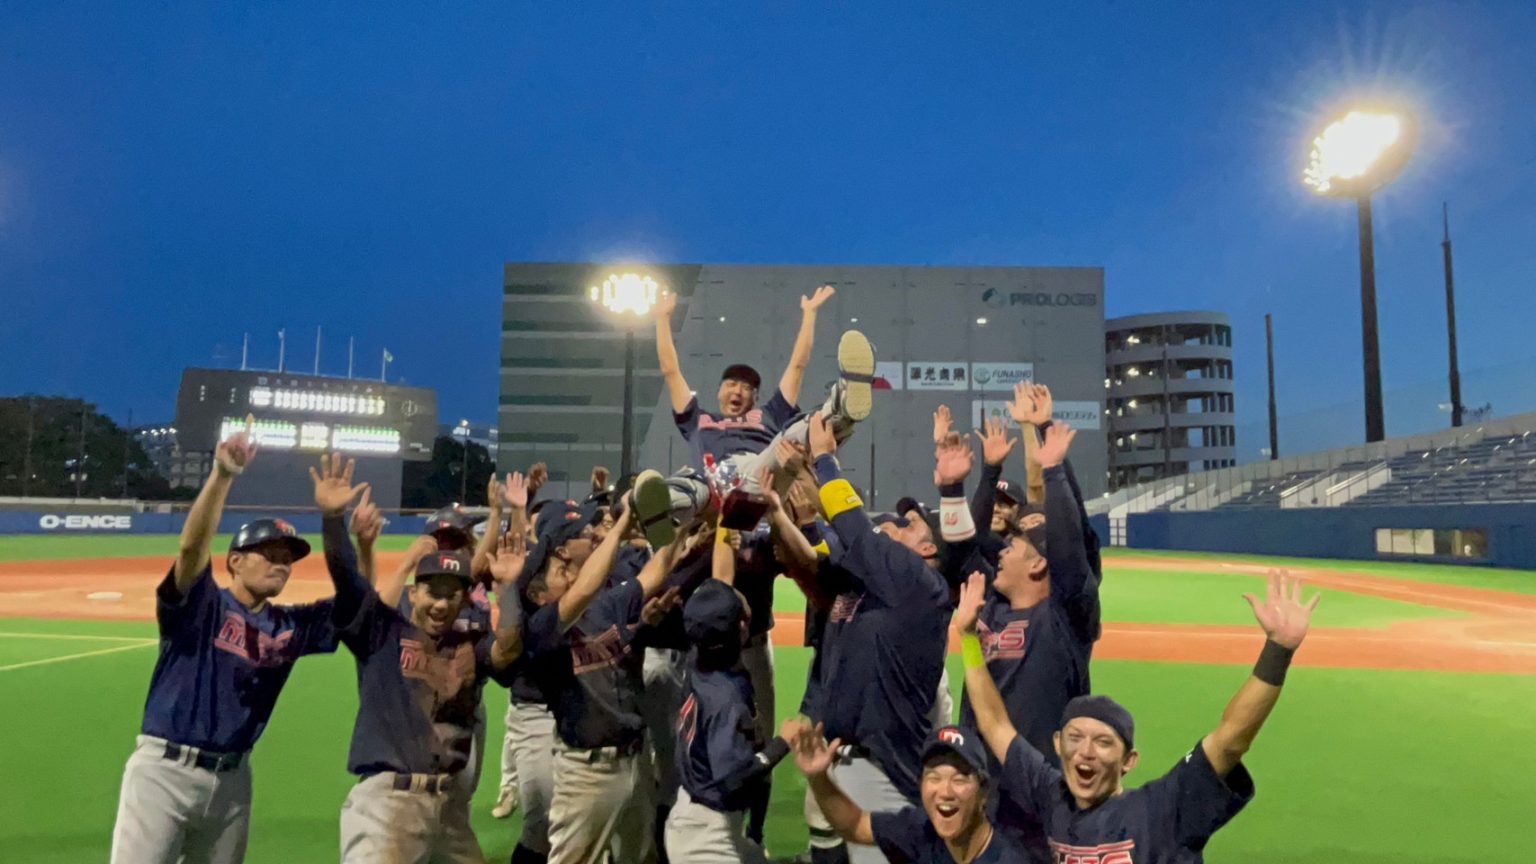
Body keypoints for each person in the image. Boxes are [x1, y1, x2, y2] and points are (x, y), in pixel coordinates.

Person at [955, 567, 1321, 863]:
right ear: (1057, 744)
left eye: (1103, 743)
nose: (1085, 751)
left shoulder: (1162, 810)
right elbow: (994, 724)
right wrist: (969, 638)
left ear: (1129, 761)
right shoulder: (1051, 796)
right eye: (1075, 738)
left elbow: (1230, 741)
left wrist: (1279, 650)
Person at [109, 418, 339, 864]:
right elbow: (191, 550)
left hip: (233, 781)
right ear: (234, 561)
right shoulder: (202, 605)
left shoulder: (292, 625)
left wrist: (348, 531)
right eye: (268, 554)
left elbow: (359, 606)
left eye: (287, 559)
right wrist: (223, 475)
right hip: (164, 774)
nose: (281, 564)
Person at [313, 454, 524, 864]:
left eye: (451, 594)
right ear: (414, 593)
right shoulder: (385, 634)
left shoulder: (469, 644)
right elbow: (349, 582)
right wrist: (333, 519)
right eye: (432, 591)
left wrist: (509, 588)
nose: (441, 603)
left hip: (446, 807)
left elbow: (509, 648)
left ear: (465, 598)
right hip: (387, 803)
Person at [519, 474, 695, 864]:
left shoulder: (607, 605)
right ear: (535, 594)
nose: (566, 575)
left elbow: (655, 572)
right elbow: (581, 590)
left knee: (640, 856)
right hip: (587, 772)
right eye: (555, 572)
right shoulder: (542, 628)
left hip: (634, 759)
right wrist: (622, 521)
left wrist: (675, 524)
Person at [804, 412, 952, 864]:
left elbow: (852, 527)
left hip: (884, 771)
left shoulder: (919, 585)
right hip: (845, 763)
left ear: (928, 549)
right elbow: (829, 536)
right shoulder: (876, 585)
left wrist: (826, 460)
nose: (896, 525)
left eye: (910, 526)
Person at [636, 284, 874, 543]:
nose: (738, 391)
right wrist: (661, 318)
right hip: (713, 483)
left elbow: (797, 366)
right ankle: (660, 517)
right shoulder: (698, 420)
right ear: (719, 391)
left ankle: (842, 405)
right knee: (686, 484)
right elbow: (671, 371)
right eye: (732, 384)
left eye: (747, 387)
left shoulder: (768, 415)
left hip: (761, 475)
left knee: (796, 431)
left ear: (756, 397)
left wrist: (809, 314)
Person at [664, 576, 798, 864]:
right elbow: (732, 778)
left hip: (692, 818)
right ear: (741, 627)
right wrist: (781, 744)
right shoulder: (726, 699)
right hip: (708, 837)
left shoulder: (698, 660)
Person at [794, 724, 1030, 864]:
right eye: (934, 778)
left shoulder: (1007, 858)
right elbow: (854, 824)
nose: (945, 792)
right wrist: (818, 777)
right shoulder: (920, 830)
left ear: (983, 792)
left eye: (959, 779)